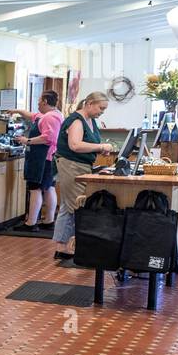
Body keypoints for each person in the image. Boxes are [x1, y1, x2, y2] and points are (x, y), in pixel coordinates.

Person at [52, 91, 117, 260]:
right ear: (89, 104)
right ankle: (80, 247)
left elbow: (88, 144)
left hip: (81, 165)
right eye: (100, 108)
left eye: (104, 109)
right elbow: (75, 145)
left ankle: (62, 247)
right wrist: (100, 146)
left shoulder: (91, 121)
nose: (102, 112)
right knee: (78, 205)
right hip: (71, 165)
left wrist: (100, 148)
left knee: (67, 205)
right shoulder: (76, 120)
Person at [12, 90, 63, 231]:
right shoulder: (54, 114)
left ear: (45, 101)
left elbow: (48, 138)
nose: (38, 103)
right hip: (50, 157)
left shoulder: (49, 118)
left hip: (43, 158)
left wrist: (26, 140)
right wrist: (16, 111)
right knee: (49, 187)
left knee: (35, 189)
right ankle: (48, 221)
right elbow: (32, 115)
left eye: (39, 101)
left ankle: (31, 223)